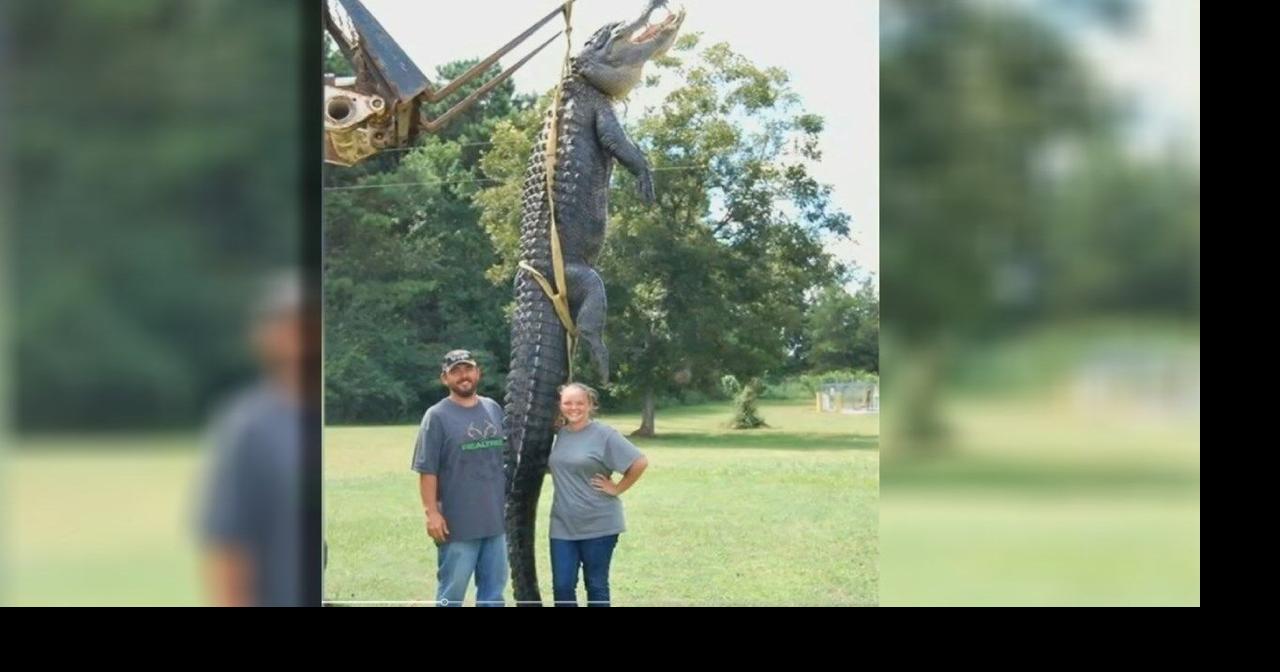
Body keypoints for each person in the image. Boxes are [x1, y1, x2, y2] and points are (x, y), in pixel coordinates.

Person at [411, 349, 508, 607]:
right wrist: (432, 513)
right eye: (456, 371)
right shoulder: (436, 416)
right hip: (457, 525)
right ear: (445, 378)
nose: (463, 376)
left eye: (468, 369)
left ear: (478, 373)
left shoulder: (493, 408)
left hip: (496, 521)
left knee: (493, 596)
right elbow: (427, 469)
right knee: (451, 595)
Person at [547, 382, 649, 607]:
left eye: (579, 403)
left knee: (596, 585)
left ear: (590, 404)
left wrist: (617, 488)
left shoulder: (604, 434)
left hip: (599, 523)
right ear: (560, 405)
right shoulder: (558, 435)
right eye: (568, 403)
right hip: (562, 525)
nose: (574, 408)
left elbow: (640, 462)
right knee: (562, 586)